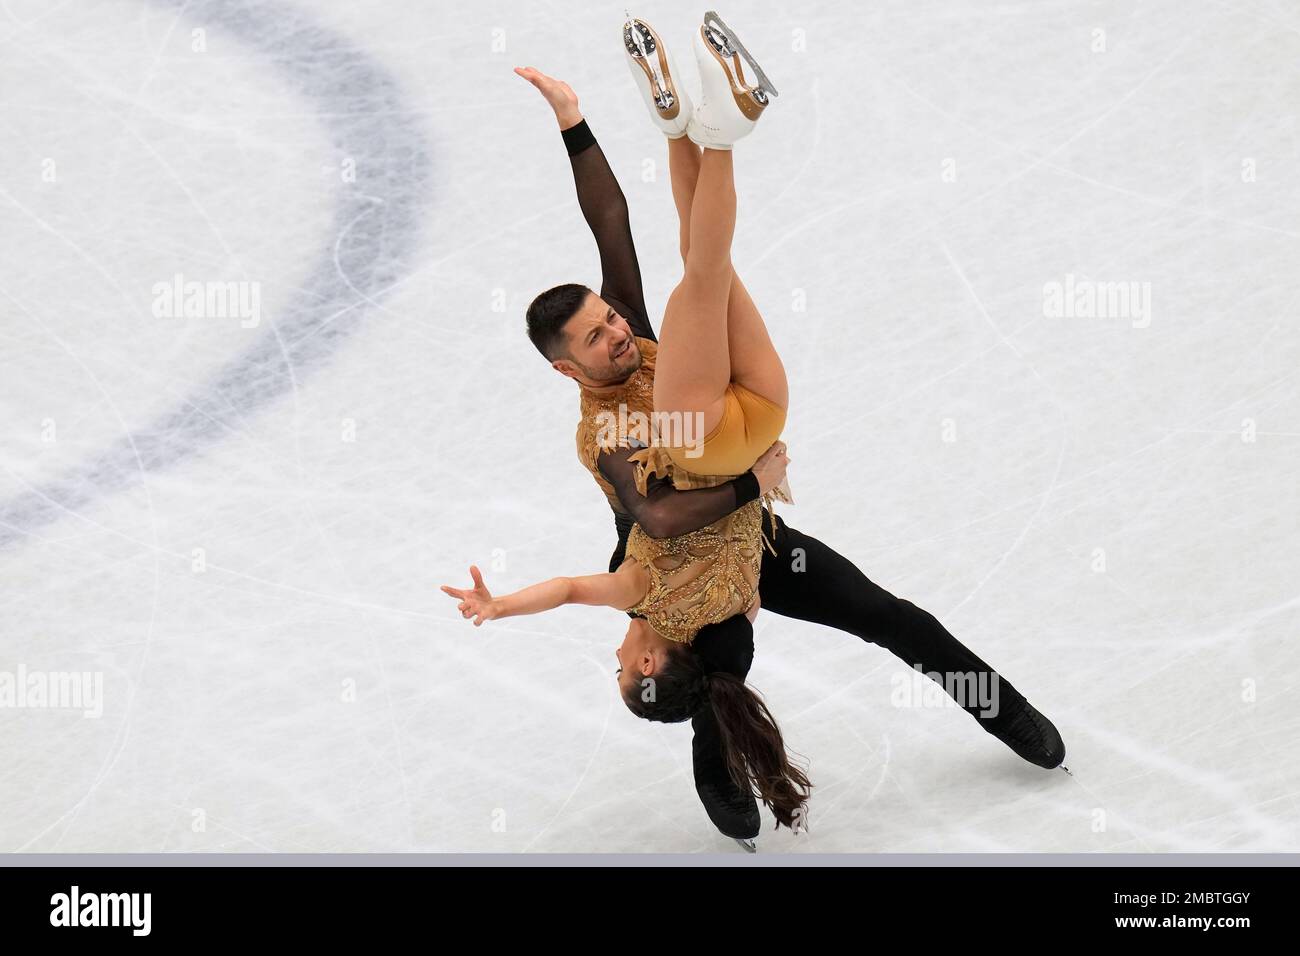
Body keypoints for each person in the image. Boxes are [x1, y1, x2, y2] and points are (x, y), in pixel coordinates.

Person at [445, 15, 813, 829]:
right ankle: (724, 131)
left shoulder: (732, 608)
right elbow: (643, 522)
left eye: (612, 319)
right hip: (720, 441)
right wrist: (502, 608)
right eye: (620, 668)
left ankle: (685, 124)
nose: (618, 330)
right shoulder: (639, 580)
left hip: (759, 409)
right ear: (648, 661)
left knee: (702, 261)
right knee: (702, 270)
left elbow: (610, 220)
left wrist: (573, 121)